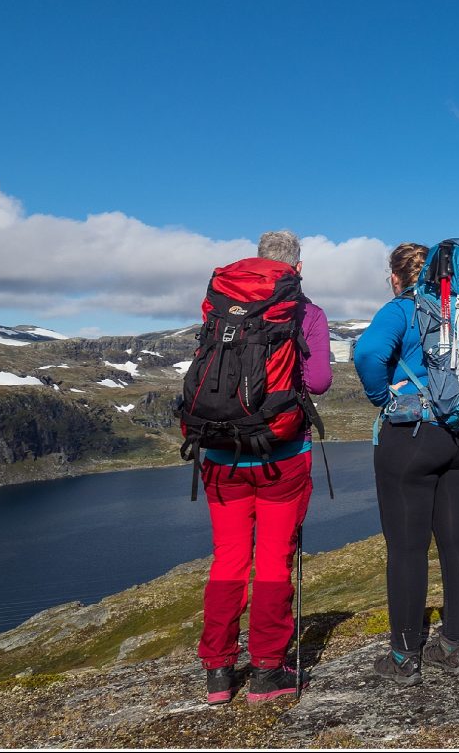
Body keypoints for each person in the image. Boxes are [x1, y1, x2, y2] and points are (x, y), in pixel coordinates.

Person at [198, 230, 332, 704]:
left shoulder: (221, 305)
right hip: (282, 454)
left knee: (229, 559)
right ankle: (267, 671)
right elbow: (320, 382)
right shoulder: (307, 312)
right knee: (273, 560)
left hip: (220, 455)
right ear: (298, 267)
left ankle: (218, 672)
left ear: (257, 261)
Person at [353, 242, 459, 686]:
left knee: (408, 548)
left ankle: (404, 657)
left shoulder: (400, 309)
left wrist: (382, 397)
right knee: (458, 541)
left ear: (396, 277)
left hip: (414, 435)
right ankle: (453, 647)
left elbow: (368, 353)